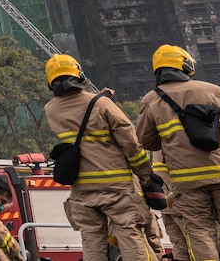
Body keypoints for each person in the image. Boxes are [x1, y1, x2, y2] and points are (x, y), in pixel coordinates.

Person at [136, 45, 220, 261]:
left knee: (200, 236)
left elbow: (146, 141)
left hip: (188, 183)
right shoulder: (211, 89)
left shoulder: (152, 100)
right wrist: (219, 132)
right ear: (185, 65)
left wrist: (172, 141)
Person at [42, 54, 154, 261]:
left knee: (92, 243)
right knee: (130, 236)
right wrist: (145, 174)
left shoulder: (51, 110)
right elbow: (129, 140)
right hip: (115, 187)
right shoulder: (101, 104)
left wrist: (98, 99)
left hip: (82, 190)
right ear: (79, 74)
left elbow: (78, 113)